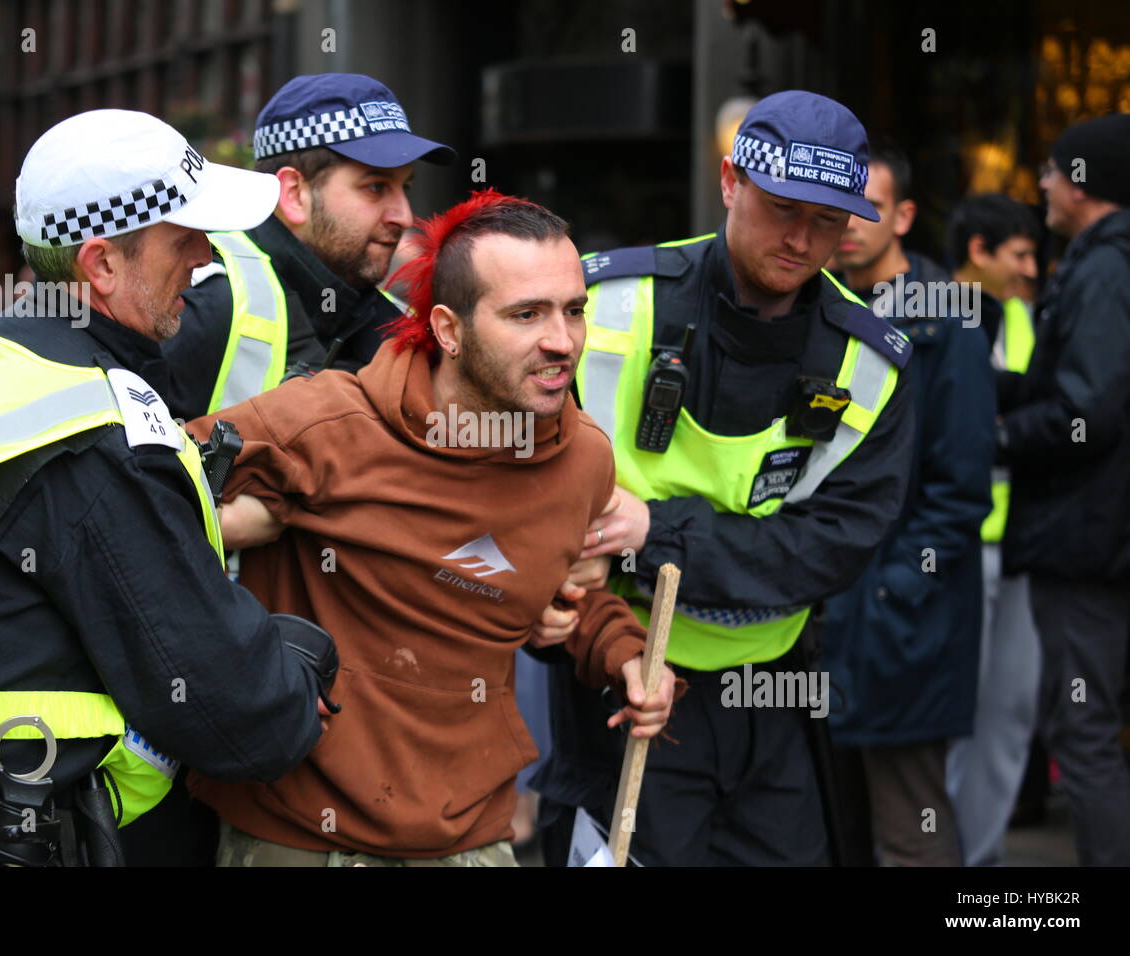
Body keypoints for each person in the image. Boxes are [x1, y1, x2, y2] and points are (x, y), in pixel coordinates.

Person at [0, 109, 332, 867]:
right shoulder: (90, 435)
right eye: (182, 235)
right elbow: (237, 714)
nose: (205, 257)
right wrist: (296, 664)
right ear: (101, 266)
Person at [186, 190, 677, 866]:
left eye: (573, 311)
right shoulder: (326, 425)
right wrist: (235, 534)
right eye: (525, 314)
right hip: (298, 835)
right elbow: (144, 510)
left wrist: (625, 655)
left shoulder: (583, 458)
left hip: (471, 836)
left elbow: (561, 593)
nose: (562, 341)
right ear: (448, 329)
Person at [532, 90, 917, 867]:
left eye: (829, 221)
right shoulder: (605, 306)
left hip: (771, 695)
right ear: (730, 181)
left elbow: (836, 546)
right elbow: (512, 478)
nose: (802, 240)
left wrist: (656, 533)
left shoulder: (872, 361)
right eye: (782, 209)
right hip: (625, 687)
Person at [823, 145, 996, 867]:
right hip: (823, 609)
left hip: (902, 618)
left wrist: (897, 587)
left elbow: (961, 487)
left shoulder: (944, 321)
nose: (852, 224)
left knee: (912, 830)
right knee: (833, 830)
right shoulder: (819, 305)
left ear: (904, 216)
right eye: (841, 209)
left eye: (871, 206)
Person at [161, 73, 455, 421]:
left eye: (404, 187)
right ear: (294, 194)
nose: (404, 216)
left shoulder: (400, 326)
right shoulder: (201, 300)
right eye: (375, 187)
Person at [999, 113, 1130, 867]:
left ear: (1081, 182)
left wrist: (1002, 435)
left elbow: (1089, 410)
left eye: (1052, 169)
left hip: (1087, 540)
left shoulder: (1106, 268)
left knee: (1082, 733)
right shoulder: (1103, 263)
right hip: (1098, 536)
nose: (1042, 184)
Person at [942, 193, 1042, 867]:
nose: (1032, 268)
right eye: (1019, 254)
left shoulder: (1028, 317)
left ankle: (980, 865)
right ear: (979, 252)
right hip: (953, 548)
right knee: (947, 721)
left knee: (1009, 718)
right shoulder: (932, 316)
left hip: (1023, 548)